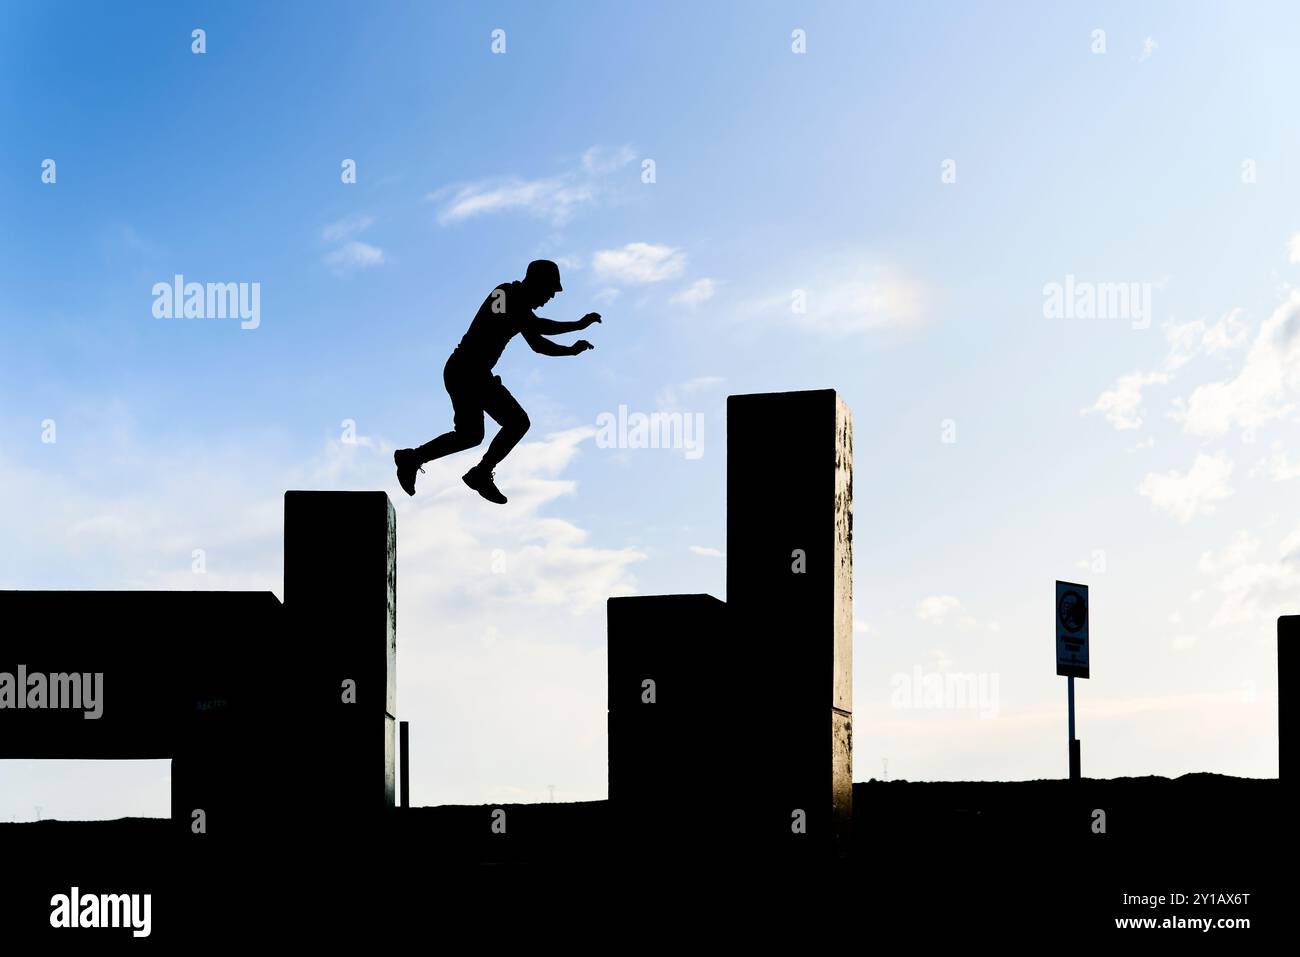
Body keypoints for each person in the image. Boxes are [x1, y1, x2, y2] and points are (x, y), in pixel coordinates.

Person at [394, 260, 600, 503]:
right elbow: (536, 325)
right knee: (517, 422)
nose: (550, 298)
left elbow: (538, 344)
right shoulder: (504, 294)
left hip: (468, 372)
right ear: (536, 283)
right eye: (549, 291)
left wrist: (570, 351)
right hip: (467, 370)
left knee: (470, 435)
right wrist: (577, 325)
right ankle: (479, 474)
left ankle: (413, 458)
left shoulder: (519, 308)